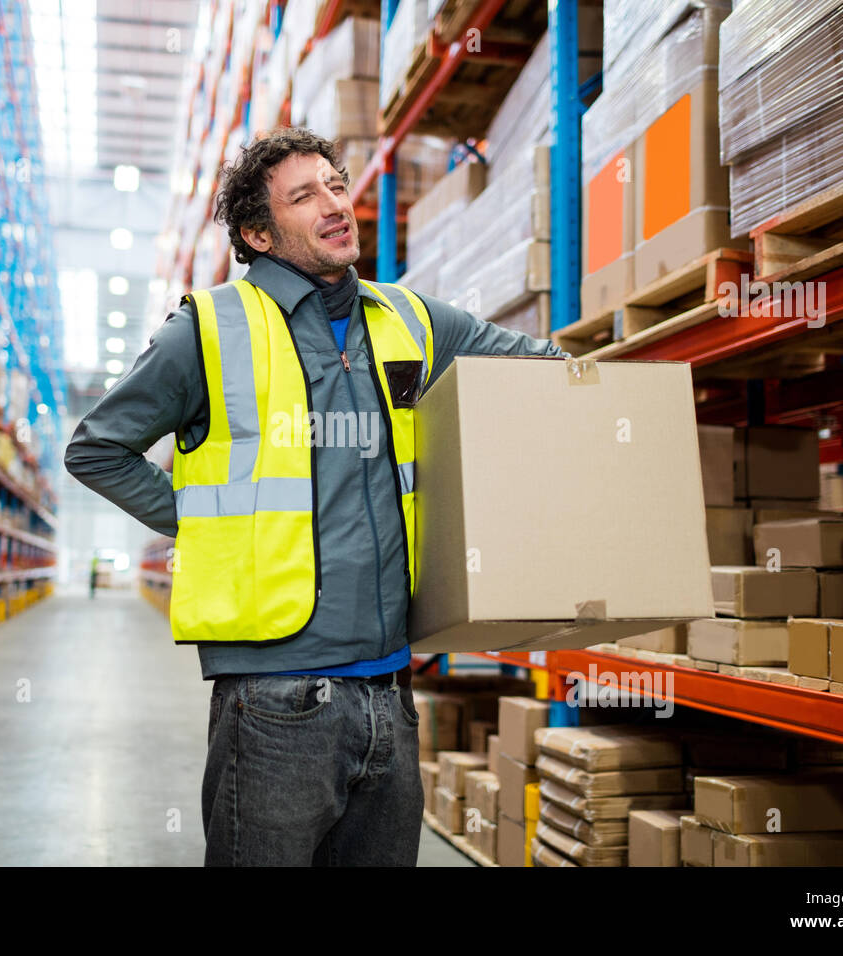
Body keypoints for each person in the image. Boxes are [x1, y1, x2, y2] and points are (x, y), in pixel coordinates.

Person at [65, 127, 566, 867]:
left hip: (391, 692)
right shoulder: (209, 330)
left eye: (337, 185)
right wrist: (204, 524)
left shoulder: (409, 320)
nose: (336, 205)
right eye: (306, 196)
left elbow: (539, 365)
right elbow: (97, 448)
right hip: (274, 697)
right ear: (258, 233)